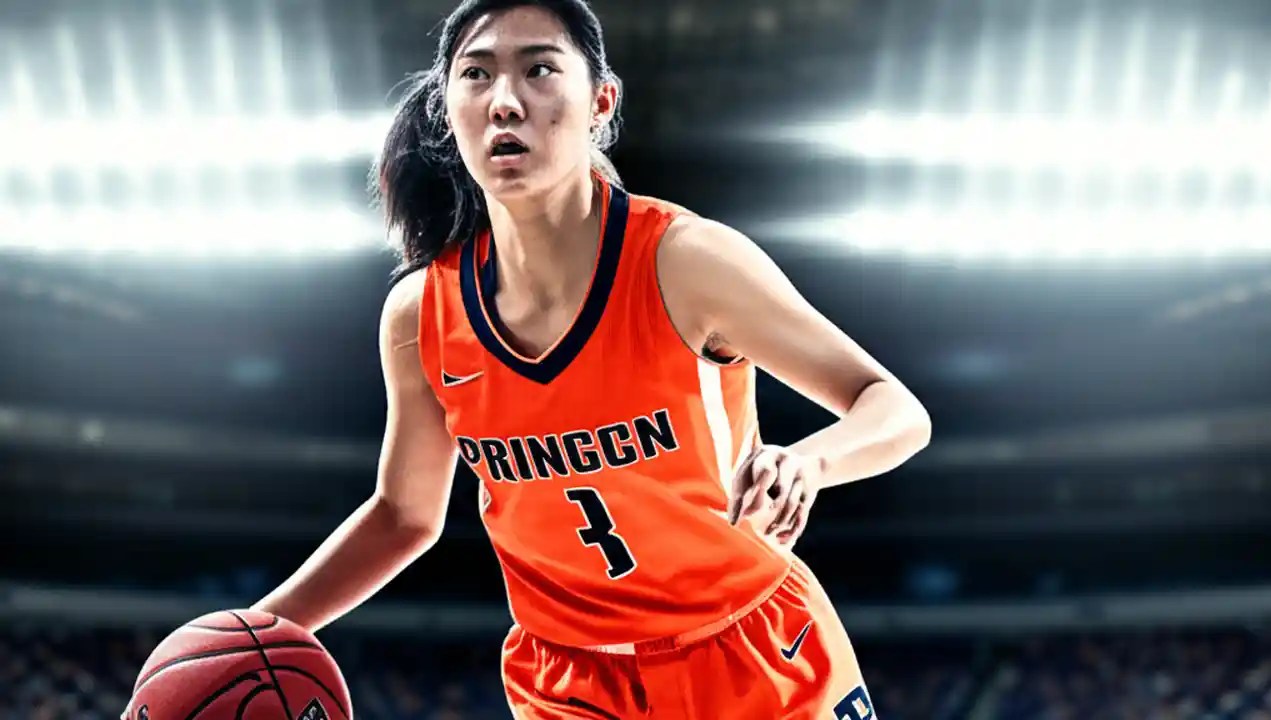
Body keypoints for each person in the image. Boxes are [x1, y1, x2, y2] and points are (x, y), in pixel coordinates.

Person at [253, 1, 931, 717]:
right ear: (449, 113)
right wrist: (254, 633)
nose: (505, 101)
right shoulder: (421, 315)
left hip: (751, 651)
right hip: (568, 681)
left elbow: (894, 408)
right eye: (476, 75)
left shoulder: (685, 263)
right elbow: (403, 516)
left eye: (539, 69)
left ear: (601, 102)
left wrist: (810, 463)